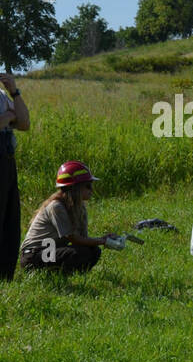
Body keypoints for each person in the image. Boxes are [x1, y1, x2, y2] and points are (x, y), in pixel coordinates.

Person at [19, 160, 127, 273]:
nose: (92, 190)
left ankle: (62, 274)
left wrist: (105, 238)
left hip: (49, 251)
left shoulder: (80, 207)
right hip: (33, 256)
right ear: (76, 187)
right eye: (88, 186)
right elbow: (74, 239)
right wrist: (103, 241)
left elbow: (83, 239)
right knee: (81, 253)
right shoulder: (57, 207)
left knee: (93, 251)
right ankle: (50, 273)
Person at [1, 72, 31, 281]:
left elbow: (25, 123)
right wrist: (6, 117)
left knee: (9, 218)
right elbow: (12, 119)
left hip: (6, 161)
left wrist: (14, 91)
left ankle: (5, 277)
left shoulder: (2, 96)